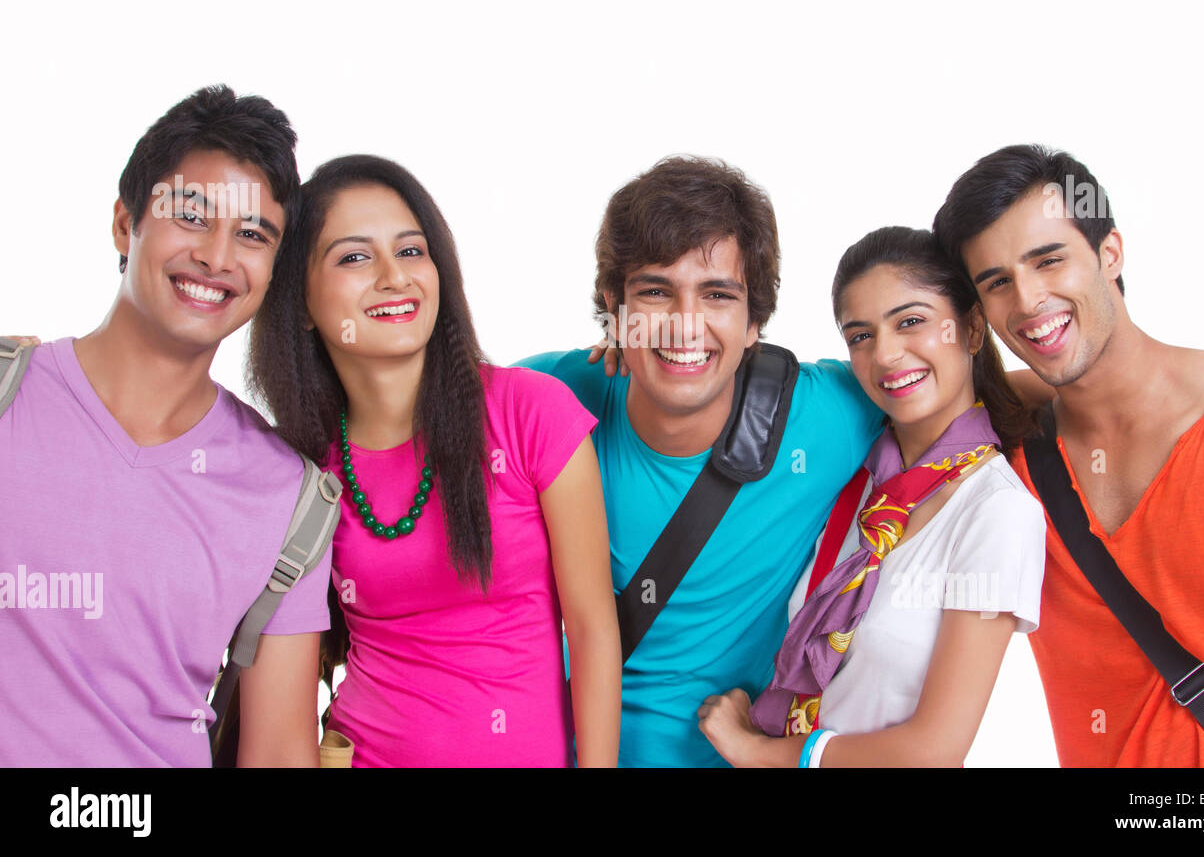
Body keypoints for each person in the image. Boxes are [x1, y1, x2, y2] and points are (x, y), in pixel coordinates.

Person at [932, 143, 1204, 767]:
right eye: (997, 283)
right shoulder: (1002, 443)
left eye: (1048, 260)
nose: (1026, 302)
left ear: (1110, 254)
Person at [247, 154, 621, 767]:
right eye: (354, 257)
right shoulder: (299, 469)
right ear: (303, 305)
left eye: (412, 251)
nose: (394, 277)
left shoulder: (531, 411)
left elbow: (592, 630)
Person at [521, 156, 890, 767]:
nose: (685, 325)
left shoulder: (823, 417)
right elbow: (403, 408)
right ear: (614, 307)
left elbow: (962, 395)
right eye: (654, 292)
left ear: (755, 323)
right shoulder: (548, 400)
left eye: (717, 294)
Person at [0, 85, 329, 767]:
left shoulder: (289, 500)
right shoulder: (8, 395)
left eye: (251, 235)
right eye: (192, 215)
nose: (215, 256)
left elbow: (277, 755)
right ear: (126, 224)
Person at [696, 226, 1046, 766]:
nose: (885, 355)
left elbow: (933, 751)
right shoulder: (854, 476)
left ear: (972, 329)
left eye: (911, 322)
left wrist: (755, 751)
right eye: (860, 336)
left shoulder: (996, 512)